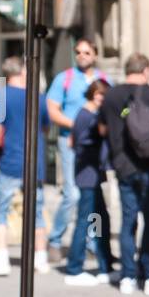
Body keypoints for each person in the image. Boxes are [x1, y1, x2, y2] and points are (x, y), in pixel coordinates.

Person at [0, 56, 51, 277]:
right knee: (36, 212)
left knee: (0, 209)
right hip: (34, 162)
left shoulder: (2, 96)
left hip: (11, 160)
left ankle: (1, 258)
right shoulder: (39, 97)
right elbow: (45, 128)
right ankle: (41, 258)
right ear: (21, 72)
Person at [98, 53, 149, 296]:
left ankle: (127, 276)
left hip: (123, 166)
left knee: (128, 221)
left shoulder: (111, 96)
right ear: (146, 70)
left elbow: (102, 128)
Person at [47, 38, 110, 260]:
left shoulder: (104, 80)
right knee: (72, 194)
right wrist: (77, 126)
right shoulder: (64, 79)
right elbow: (52, 110)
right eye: (78, 52)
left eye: (86, 52)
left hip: (95, 146)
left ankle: (94, 243)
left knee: (95, 196)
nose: (82, 55)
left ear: (94, 55)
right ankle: (55, 239)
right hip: (70, 142)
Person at [64, 79, 115, 286]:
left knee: (99, 218)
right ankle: (74, 267)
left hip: (92, 175)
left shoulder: (87, 114)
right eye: (101, 95)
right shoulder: (87, 115)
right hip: (88, 175)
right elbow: (79, 144)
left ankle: (105, 264)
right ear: (95, 95)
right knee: (85, 220)